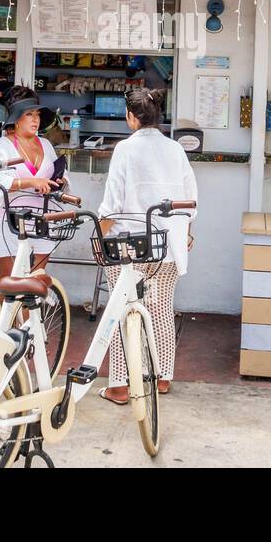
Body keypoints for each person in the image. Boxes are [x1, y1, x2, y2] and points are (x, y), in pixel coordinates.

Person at [96, 88, 197, 404]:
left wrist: (100, 236)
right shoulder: (176, 150)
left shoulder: (125, 149)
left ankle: (118, 385)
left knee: (121, 310)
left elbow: (111, 204)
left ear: (130, 117)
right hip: (165, 245)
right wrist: (186, 231)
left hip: (129, 246)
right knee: (160, 308)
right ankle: (162, 376)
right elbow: (190, 198)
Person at [0, 86, 64, 278]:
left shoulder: (45, 144)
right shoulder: (3, 146)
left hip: (41, 217)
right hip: (8, 220)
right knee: (9, 279)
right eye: (29, 114)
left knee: (37, 277)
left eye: (37, 114)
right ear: (16, 119)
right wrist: (30, 182)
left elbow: (57, 173)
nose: (35, 119)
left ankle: (31, 310)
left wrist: (60, 181)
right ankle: (4, 310)